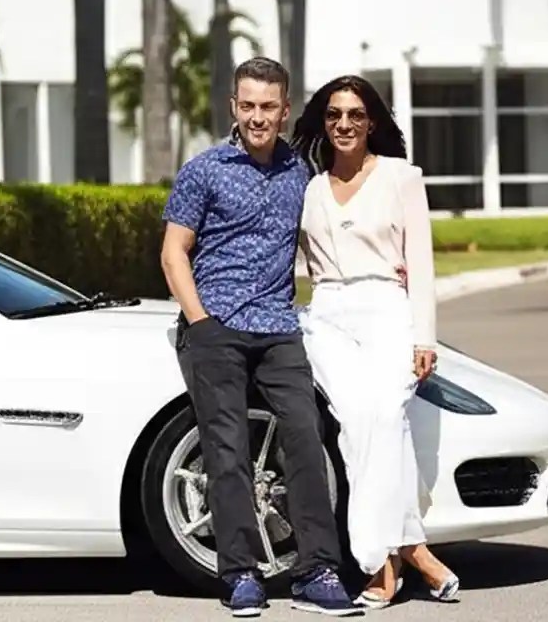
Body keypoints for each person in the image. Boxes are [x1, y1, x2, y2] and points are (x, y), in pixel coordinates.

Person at [160, 57, 361, 618]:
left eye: (268, 107)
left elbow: (338, 225)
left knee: (305, 434)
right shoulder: (204, 170)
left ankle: (318, 570)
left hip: (277, 327)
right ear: (233, 107)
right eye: (247, 105)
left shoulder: (299, 174)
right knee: (227, 449)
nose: (257, 117)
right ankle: (241, 574)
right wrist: (199, 321)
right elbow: (174, 252)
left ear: (284, 109)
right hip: (214, 324)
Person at [290, 74, 461, 607]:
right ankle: (401, 551)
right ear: (324, 121)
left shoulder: (402, 178)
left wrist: (424, 337)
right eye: (335, 114)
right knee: (360, 422)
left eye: (356, 115)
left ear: (372, 123)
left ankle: (384, 557)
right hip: (329, 315)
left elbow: (423, 266)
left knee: (384, 419)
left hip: (389, 308)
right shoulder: (309, 186)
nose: (344, 124)